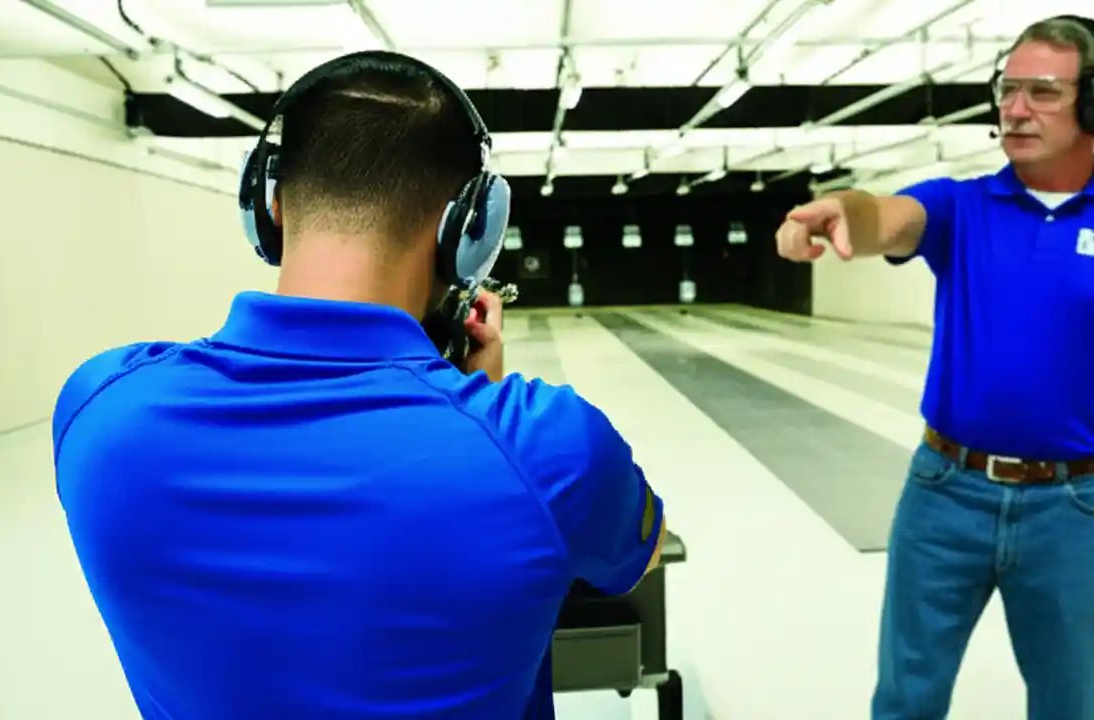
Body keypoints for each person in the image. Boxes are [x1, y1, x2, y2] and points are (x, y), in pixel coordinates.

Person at [51, 52, 667, 720]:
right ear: (469, 231)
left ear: (271, 203)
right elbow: (639, 558)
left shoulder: (98, 408)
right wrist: (484, 400)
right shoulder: (551, 448)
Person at [776, 14, 1094, 720]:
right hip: (943, 494)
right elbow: (887, 217)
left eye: (1042, 92)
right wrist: (837, 213)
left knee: (1070, 706)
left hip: (1079, 512)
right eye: (1007, 90)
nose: (1014, 110)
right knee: (905, 700)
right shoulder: (962, 207)